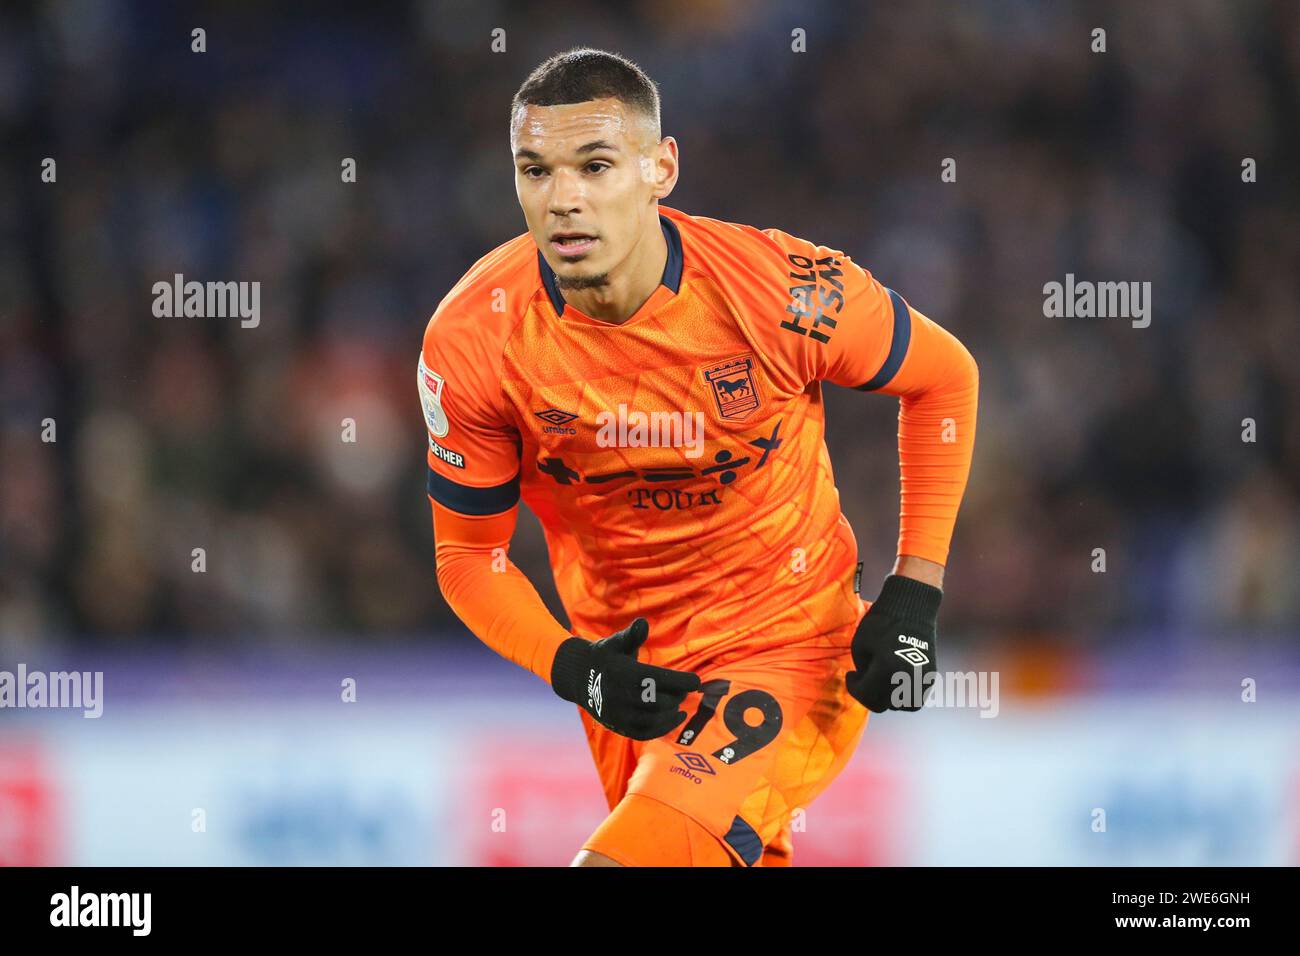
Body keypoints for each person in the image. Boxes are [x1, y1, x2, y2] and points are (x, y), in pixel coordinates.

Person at [419, 47, 978, 866]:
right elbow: (469, 556)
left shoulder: (785, 293)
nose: (564, 199)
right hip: (633, 678)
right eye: (535, 171)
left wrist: (915, 591)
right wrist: (575, 666)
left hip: (792, 646)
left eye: (596, 165)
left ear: (661, 168)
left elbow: (944, 380)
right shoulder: (473, 339)